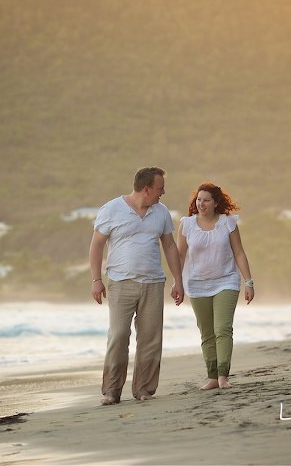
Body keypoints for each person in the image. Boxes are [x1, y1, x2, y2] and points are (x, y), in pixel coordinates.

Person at [90, 166, 184, 405]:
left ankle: (144, 389)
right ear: (146, 189)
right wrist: (96, 280)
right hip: (121, 282)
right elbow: (97, 245)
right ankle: (111, 390)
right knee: (119, 335)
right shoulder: (111, 209)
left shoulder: (161, 212)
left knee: (151, 339)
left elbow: (170, 246)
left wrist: (178, 280)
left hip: (153, 282)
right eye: (160, 189)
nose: (163, 193)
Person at [177, 182, 254, 390]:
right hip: (196, 284)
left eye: (206, 200)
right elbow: (180, 256)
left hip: (226, 281)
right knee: (207, 332)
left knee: (222, 328)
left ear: (216, 203)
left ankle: (223, 376)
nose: (201, 204)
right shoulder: (187, 224)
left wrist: (249, 281)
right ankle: (212, 376)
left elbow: (239, 253)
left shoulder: (228, 223)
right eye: (199, 199)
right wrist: (177, 283)